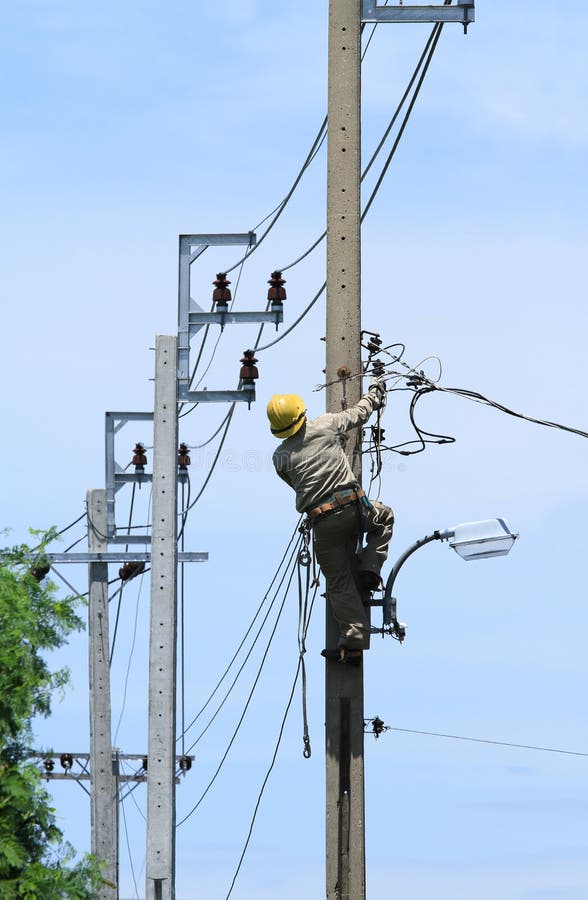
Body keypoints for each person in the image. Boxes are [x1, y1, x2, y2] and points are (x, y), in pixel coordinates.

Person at [267, 380, 393, 663]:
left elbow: (296, 485)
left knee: (338, 581)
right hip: (353, 507)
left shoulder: (280, 457)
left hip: (322, 522)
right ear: (301, 413)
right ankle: (370, 568)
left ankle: (353, 638)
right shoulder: (325, 424)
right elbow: (359, 414)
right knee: (384, 517)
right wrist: (376, 393)